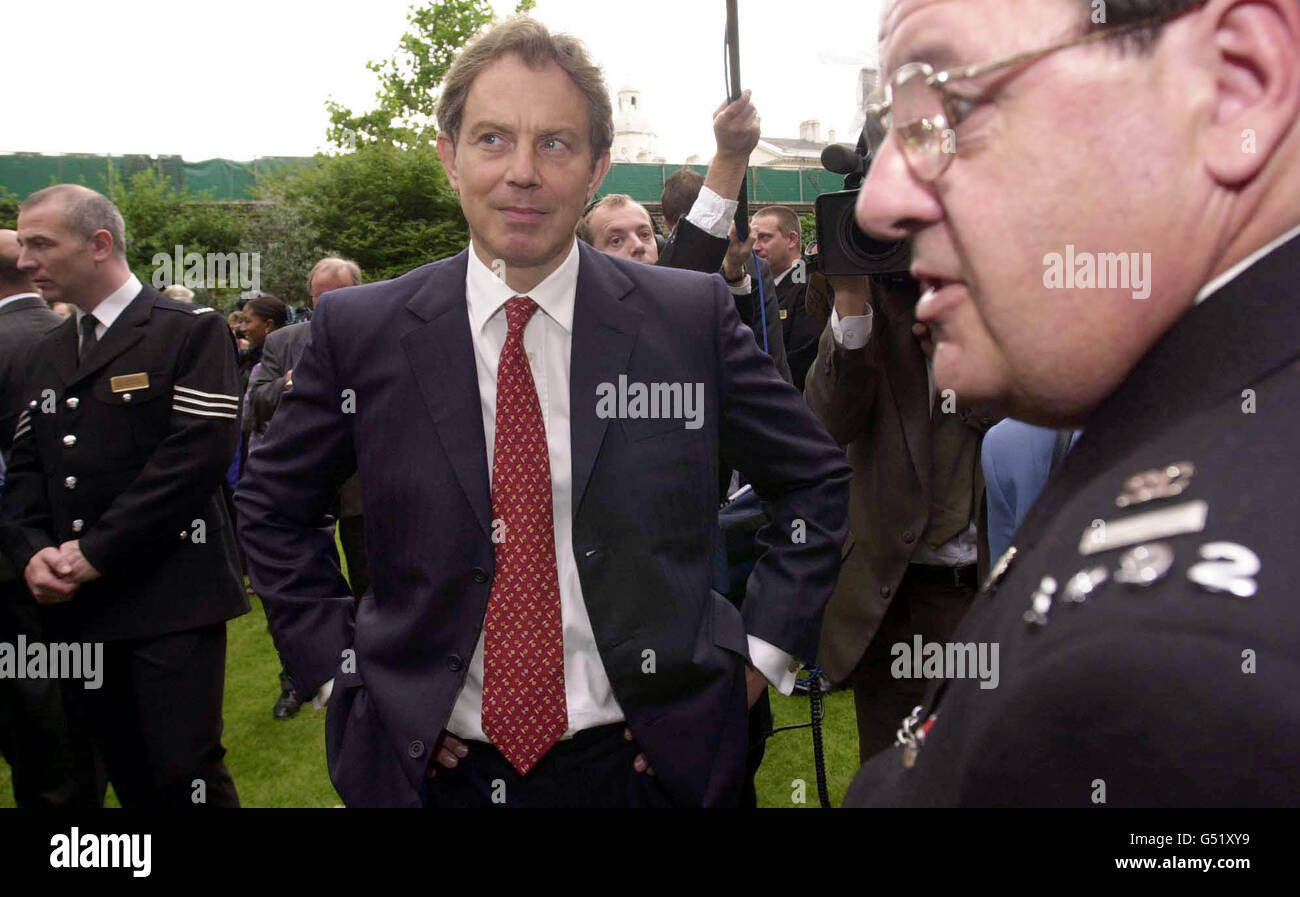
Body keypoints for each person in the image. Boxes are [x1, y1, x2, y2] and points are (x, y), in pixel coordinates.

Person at [236, 16, 850, 808]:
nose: (522, 172)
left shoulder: (685, 318)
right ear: (448, 156)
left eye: (555, 144)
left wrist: (758, 656)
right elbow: (273, 506)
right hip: (433, 774)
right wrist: (338, 673)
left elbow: (814, 481)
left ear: (597, 167)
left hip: (653, 768)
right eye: (493, 139)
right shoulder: (364, 330)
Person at [845, 0, 1300, 807]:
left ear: (1235, 85)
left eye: (946, 106)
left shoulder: (1162, 672)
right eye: (894, 126)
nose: (879, 203)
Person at [3, 185, 246, 807]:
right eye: (23, 242)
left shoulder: (186, 331)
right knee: (120, 767)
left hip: (171, 599)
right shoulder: (48, 349)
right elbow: (26, 469)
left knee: (183, 772)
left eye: (40, 243)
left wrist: (97, 550)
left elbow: (196, 457)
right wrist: (31, 549)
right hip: (79, 607)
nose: (25, 259)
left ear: (99, 244)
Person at [246, 256, 366, 720]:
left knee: (370, 580)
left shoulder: (374, 332)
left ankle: (371, 675)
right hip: (300, 481)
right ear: (310, 298)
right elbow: (255, 402)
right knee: (300, 581)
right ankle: (298, 678)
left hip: (362, 482)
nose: (329, 303)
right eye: (321, 296)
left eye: (339, 293)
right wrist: (292, 382)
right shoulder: (282, 342)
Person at [0, 229, 90, 807]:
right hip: (92, 558)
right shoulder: (83, 336)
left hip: (14, 569)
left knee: (34, 721)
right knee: (86, 706)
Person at [751, 206, 820, 391]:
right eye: (753, 239)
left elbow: (801, 358)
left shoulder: (810, 286)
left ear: (792, 239)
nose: (756, 247)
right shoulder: (755, 287)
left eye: (765, 237)